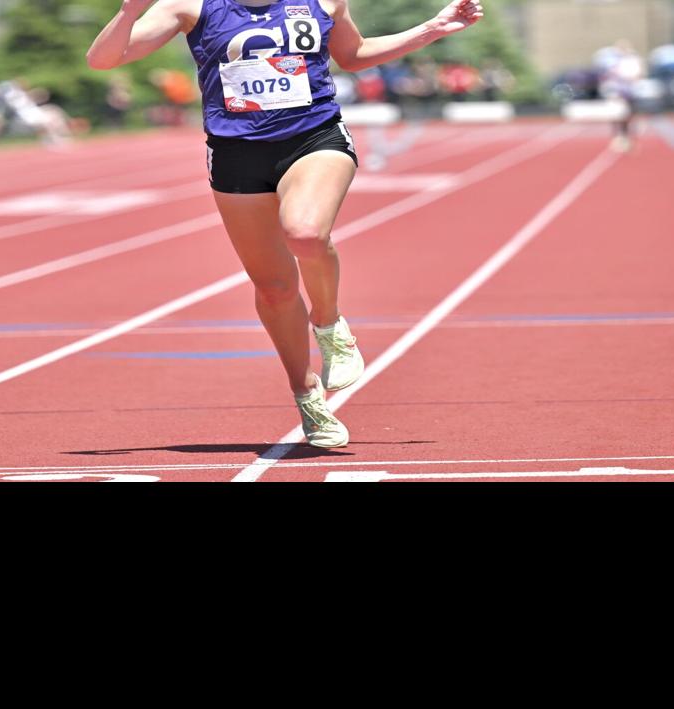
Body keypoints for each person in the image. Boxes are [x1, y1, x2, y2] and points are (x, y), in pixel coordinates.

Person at [88, 0, 484, 448]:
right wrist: (127, 13)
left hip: (314, 136)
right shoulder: (189, 5)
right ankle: (307, 393)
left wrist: (430, 29)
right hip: (236, 155)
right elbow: (104, 59)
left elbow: (352, 56)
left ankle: (331, 326)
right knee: (274, 288)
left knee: (305, 232)